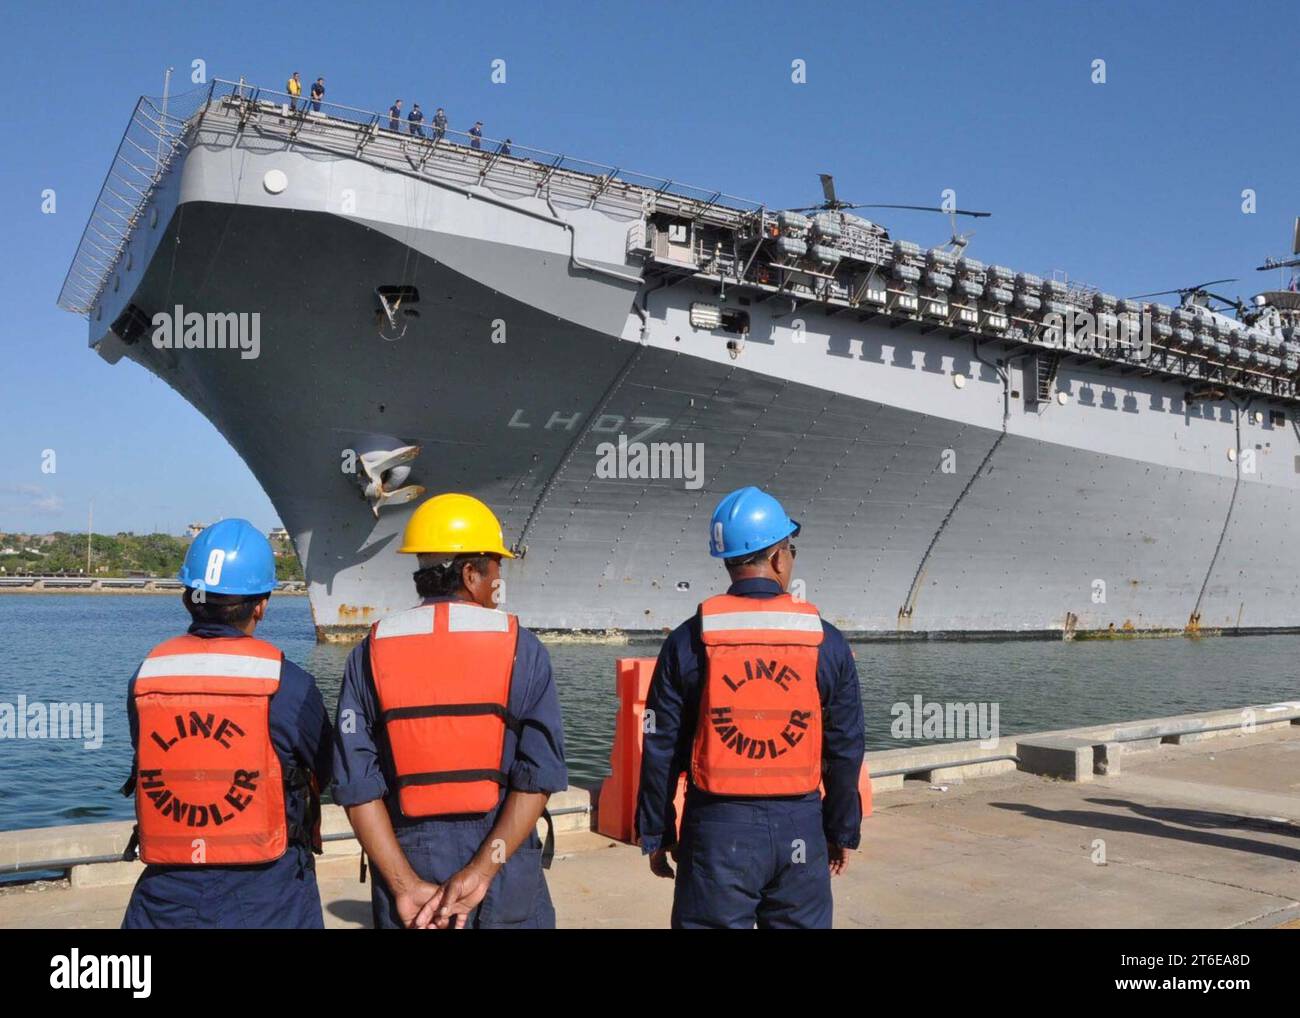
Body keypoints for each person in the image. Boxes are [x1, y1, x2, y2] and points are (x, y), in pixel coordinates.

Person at [332, 494, 567, 929]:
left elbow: (356, 786)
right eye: (497, 566)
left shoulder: (369, 653)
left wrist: (403, 887)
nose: (501, 578)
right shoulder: (524, 649)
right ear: (471, 572)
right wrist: (482, 871)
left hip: (406, 862)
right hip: (505, 865)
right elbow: (538, 778)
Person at [636, 486, 865, 929]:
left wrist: (658, 832)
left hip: (717, 831)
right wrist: (840, 830)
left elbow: (660, 745)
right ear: (780, 558)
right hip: (801, 824)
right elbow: (845, 746)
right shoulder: (826, 641)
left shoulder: (688, 639)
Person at [120, 519, 332, 929]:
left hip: (166, 897)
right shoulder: (290, 684)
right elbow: (327, 770)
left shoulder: (145, 678)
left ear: (188, 598)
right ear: (261, 605)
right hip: (271, 896)